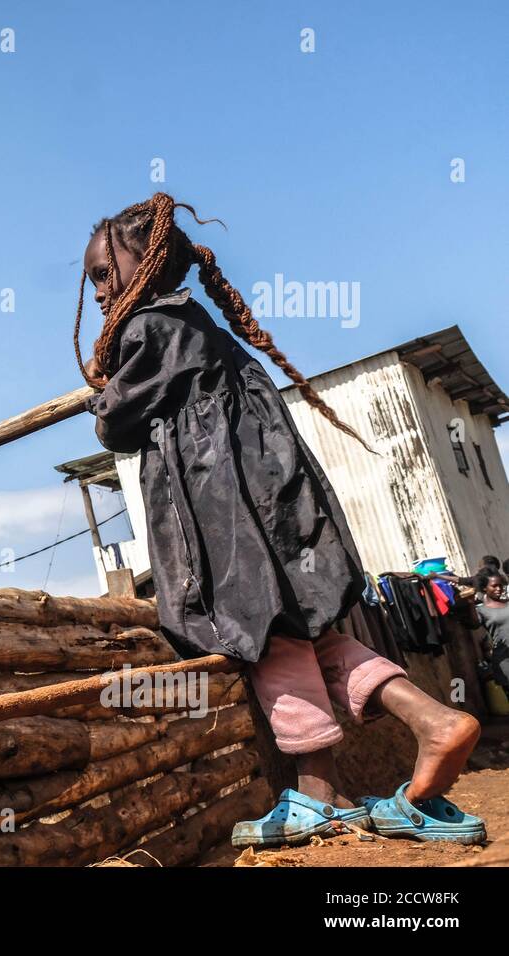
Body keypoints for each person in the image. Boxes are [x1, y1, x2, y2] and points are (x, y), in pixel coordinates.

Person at [78, 193, 484, 846]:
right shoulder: (198, 327)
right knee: (309, 637)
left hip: (231, 521)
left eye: (103, 273)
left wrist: (103, 382)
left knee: (265, 634)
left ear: (145, 264)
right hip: (276, 513)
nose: (98, 292)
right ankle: (436, 720)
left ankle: (314, 797)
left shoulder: (150, 327)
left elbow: (114, 423)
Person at [476, 570, 509, 694]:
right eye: (494, 586)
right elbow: (473, 624)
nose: (499, 589)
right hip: (505, 659)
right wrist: (468, 603)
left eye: (500, 585)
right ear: (484, 588)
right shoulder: (481, 611)